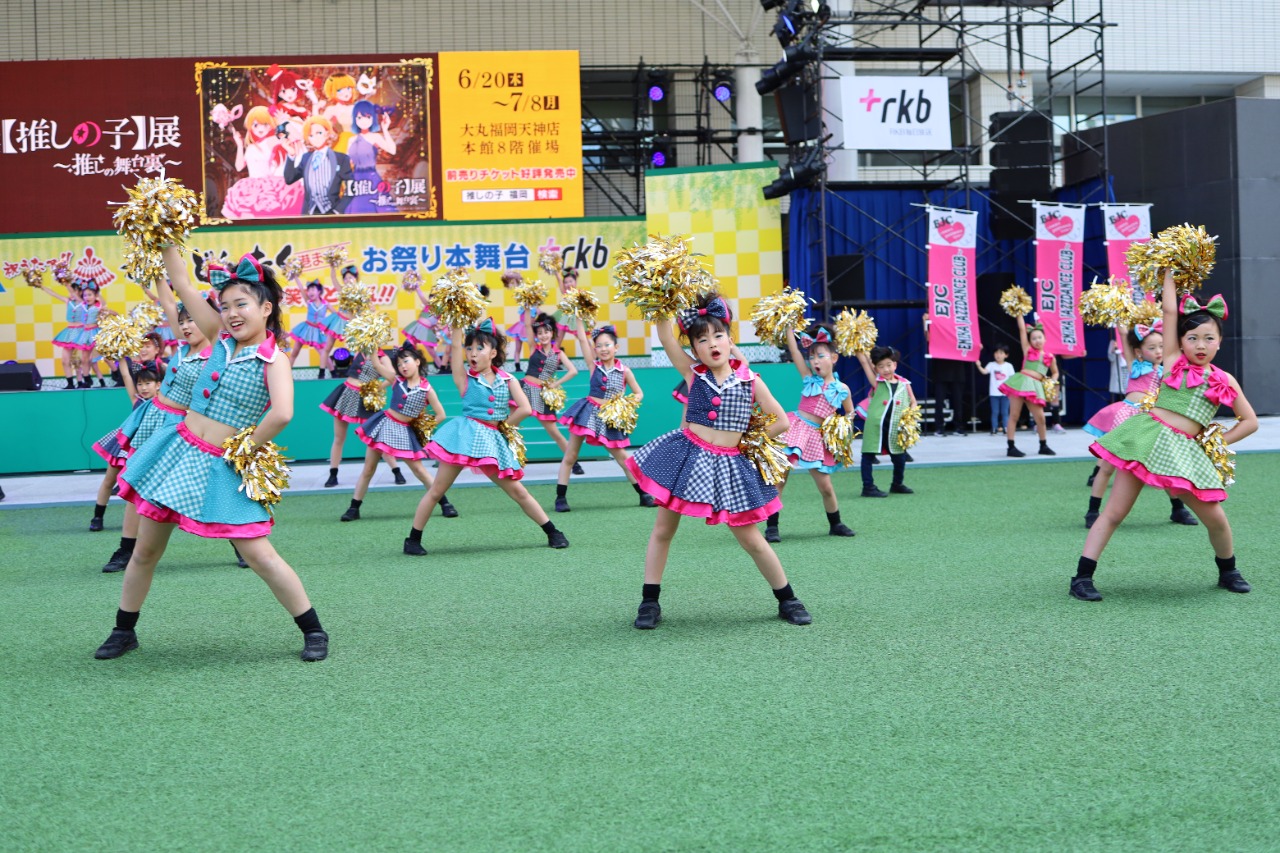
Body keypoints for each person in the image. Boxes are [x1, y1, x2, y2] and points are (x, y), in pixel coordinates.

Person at [98, 249, 329, 662]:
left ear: (266, 307)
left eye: (241, 304)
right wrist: (167, 238)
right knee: (145, 551)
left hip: (224, 464)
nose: (231, 313)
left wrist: (245, 447)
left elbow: (283, 413)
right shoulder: (219, 340)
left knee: (259, 554)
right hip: (179, 453)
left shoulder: (273, 359)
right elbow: (183, 286)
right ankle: (123, 631)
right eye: (225, 306)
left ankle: (313, 630)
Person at [625, 294, 812, 629]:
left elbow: (781, 420)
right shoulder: (693, 374)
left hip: (729, 465)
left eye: (718, 335)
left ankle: (788, 599)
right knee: (663, 530)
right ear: (694, 349)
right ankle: (649, 602)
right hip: (686, 457)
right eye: (702, 339)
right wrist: (662, 296)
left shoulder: (751, 381)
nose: (712, 343)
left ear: (730, 338)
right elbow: (666, 336)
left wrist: (750, 441)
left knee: (751, 538)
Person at [1070, 272, 1257, 602]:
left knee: (1216, 520)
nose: (1201, 345)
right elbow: (1170, 313)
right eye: (1193, 338)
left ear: (1220, 341)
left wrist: (1215, 442)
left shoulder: (1223, 378)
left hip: (1183, 453)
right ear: (1181, 342)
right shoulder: (1171, 361)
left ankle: (1229, 571)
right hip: (1144, 439)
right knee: (1114, 512)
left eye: (1209, 338)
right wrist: (1169, 274)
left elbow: (1250, 421)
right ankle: (1082, 577)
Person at [404, 318, 569, 555]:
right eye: (470, 349)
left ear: (493, 352)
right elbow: (458, 345)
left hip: (491, 442)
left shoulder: (508, 380)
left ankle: (553, 532)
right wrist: (458, 322)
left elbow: (526, 409)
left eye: (479, 348)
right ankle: (412, 539)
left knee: (518, 492)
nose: (473, 353)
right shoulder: (464, 377)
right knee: (437, 490)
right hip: (462, 439)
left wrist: (504, 427)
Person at [102, 282, 215, 573]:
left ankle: (238, 544)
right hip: (152, 416)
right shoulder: (182, 346)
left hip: (183, 426)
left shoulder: (216, 354)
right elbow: (166, 299)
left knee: (205, 486)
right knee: (134, 482)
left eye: (192, 319)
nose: (187, 326)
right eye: (183, 321)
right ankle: (125, 550)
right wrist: (155, 272)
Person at [1081, 322, 1198, 530]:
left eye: (1161, 346)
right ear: (1139, 351)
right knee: (1107, 467)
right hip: (1126, 417)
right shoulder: (1134, 363)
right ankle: (1092, 511)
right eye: (1152, 348)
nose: (1158, 351)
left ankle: (1178, 508)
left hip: (1150, 420)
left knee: (1162, 464)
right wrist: (1119, 314)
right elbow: (1124, 334)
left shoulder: (1168, 370)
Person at [339, 344, 458, 521]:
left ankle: (445, 503)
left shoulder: (427, 389)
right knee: (369, 468)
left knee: (419, 470)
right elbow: (378, 366)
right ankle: (353, 508)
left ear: (417, 362)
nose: (403, 366)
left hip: (405, 432)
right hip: (383, 426)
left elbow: (441, 414)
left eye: (406, 361)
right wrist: (372, 347)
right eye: (400, 363)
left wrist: (422, 427)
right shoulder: (396, 380)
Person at [765, 324, 858, 543]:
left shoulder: (842, 388)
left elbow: (850, 412)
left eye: (820, 356)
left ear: (834, 358)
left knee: (825, 486)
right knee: (780, 480)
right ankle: (771, 527)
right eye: (812, 356)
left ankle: (836, 524)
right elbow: (795, 352)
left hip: (817, 438)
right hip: (796, 430)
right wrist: (788, 330)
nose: (815, 361)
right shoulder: (808, 377)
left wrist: (842, 429)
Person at [553, 323, 656, 512]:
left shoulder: (625, 371)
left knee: (623, 458)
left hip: (611, 417)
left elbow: (639, 393)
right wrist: (579, 313)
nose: (603, 349)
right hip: (588, 413)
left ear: (616, 347)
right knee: (571, 455)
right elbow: (582, 338)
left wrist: (626, 404)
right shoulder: (594, 365)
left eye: (607, 345)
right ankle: (560, 497)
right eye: (599, 346)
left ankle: (643, 494)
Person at [317, 345, 408, 489]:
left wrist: (378, 388)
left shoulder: (382, 357)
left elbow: (393, 377)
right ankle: (333, 474)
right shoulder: (360, 349)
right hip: (346, 394)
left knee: (377, 438)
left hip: (367, 399)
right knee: (339, 438)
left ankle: (396, 471)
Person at [89, 362, 161, 533]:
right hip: (126, 445)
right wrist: (122, 355)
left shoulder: (165, 403)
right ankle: (97, 516)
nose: (143, 388)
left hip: (149, 449)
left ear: (159, 385)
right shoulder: (137, 399)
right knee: (109, 480)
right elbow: (126, 375)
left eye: (148, 383)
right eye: (140, 384)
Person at [519, 312, 582, 470]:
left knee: (554, 433)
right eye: (539, 333)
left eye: (546, 332)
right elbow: (527, 325)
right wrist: (527, 305)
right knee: (510, 425)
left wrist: (556, 384)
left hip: (542, 395)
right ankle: (504, 461)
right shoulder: (533, 347)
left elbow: (573, 371)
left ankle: (573, 462)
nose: (543, 335)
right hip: (525, 390)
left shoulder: (558, 353)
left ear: (552, 332)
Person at [854, 346, 917, 497]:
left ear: (895, 364)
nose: (886, 369)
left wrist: (911, 416)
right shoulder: (877, 382)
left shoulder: (904, 384)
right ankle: (868, 487)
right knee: (868, 456)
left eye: (889, 365)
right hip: (876, 426)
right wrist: (857, 346)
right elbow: (864, 362)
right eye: (881, 366)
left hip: (895, 427)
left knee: (899, 457)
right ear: (875, 369)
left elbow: (913, 401)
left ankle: (897, 484)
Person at [999, 315, 1058, 458]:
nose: (1037, 340)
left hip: (1036, 387)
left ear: (1045, 339)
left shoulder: (1050, 356)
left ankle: (1043, 445)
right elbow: (1021, 329)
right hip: (1021, 382)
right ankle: (1011, 446)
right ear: (1030, 341)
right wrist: (1019, 314)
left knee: (1041, 418)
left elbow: (1055, 372)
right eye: (1033, 338)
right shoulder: (1027, 350)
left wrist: (1051, 382)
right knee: (1014, 415)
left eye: (1039, 337)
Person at [283, 115, 352, 215]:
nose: (315, 138)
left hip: (332, 212)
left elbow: (351, 187)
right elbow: (289, 179)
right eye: (311, 135)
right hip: (309, 214)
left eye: (319, 133)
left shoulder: (341, 158)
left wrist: (338, 211)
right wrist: (291, 155)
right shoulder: (306, 158)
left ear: (327, 134)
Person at [922, 315, 971, 436]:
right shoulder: (937, 326)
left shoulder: (959, 324)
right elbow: (928, 338)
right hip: (941, 368)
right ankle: (939, 427)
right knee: (939, 401)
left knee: (957, 400)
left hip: (957, 368)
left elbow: (968, 338)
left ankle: (958, 427)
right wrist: (925, 322)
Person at [976, 344, 1015, 435]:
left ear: (1006, 355)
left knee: (1005, 412)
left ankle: (1006, 428)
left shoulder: (1009, 366)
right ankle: (994, 428)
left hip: (1005, 394)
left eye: (1001, 353)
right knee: (995, 412)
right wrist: (979, 366)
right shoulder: (991, 364)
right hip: (994, 393)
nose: (998, 355)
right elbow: (984, 371)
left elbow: (1013, 379)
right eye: (996, 353)